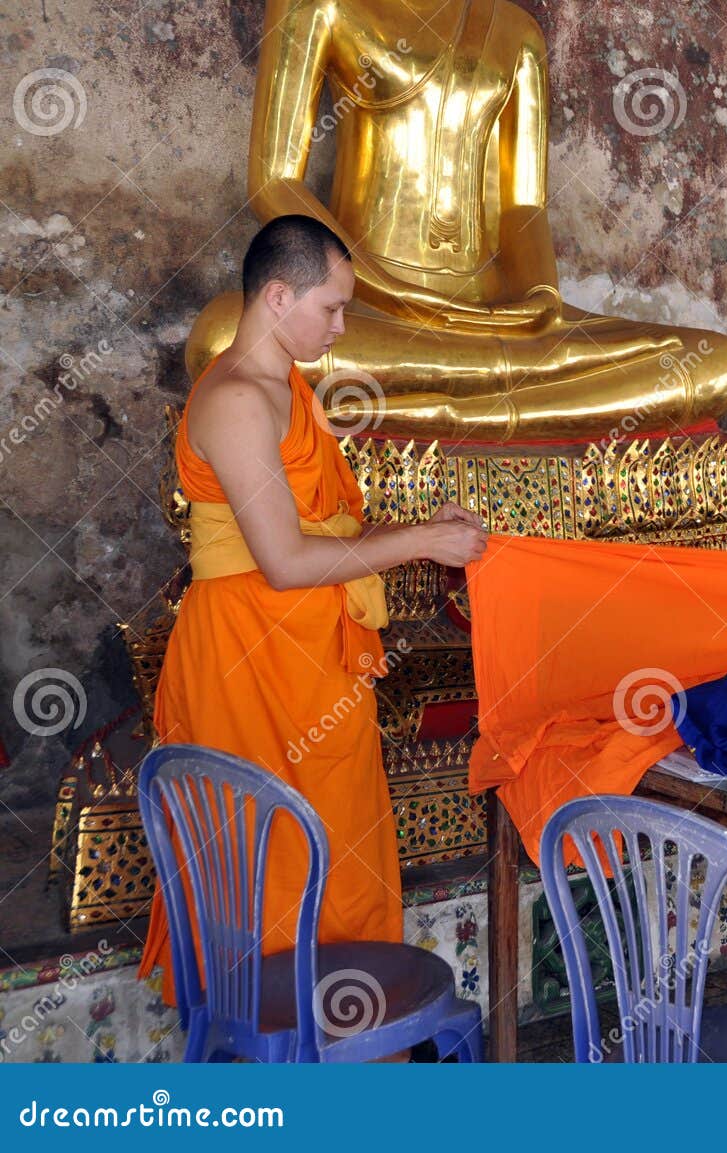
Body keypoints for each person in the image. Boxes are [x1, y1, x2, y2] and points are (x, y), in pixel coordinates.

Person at [138, 214, 489, 1024]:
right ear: (276, 294)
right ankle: (274, 1057)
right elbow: (285, 560)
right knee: (268, 856)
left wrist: (419, 530)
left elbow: (317, 527)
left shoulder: (286, 387)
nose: (339, 326)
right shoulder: (233, 399)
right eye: (331, 308)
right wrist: (422, 540)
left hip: (312, 653)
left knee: (343, 845)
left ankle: (354, 1051)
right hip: (246, 653)